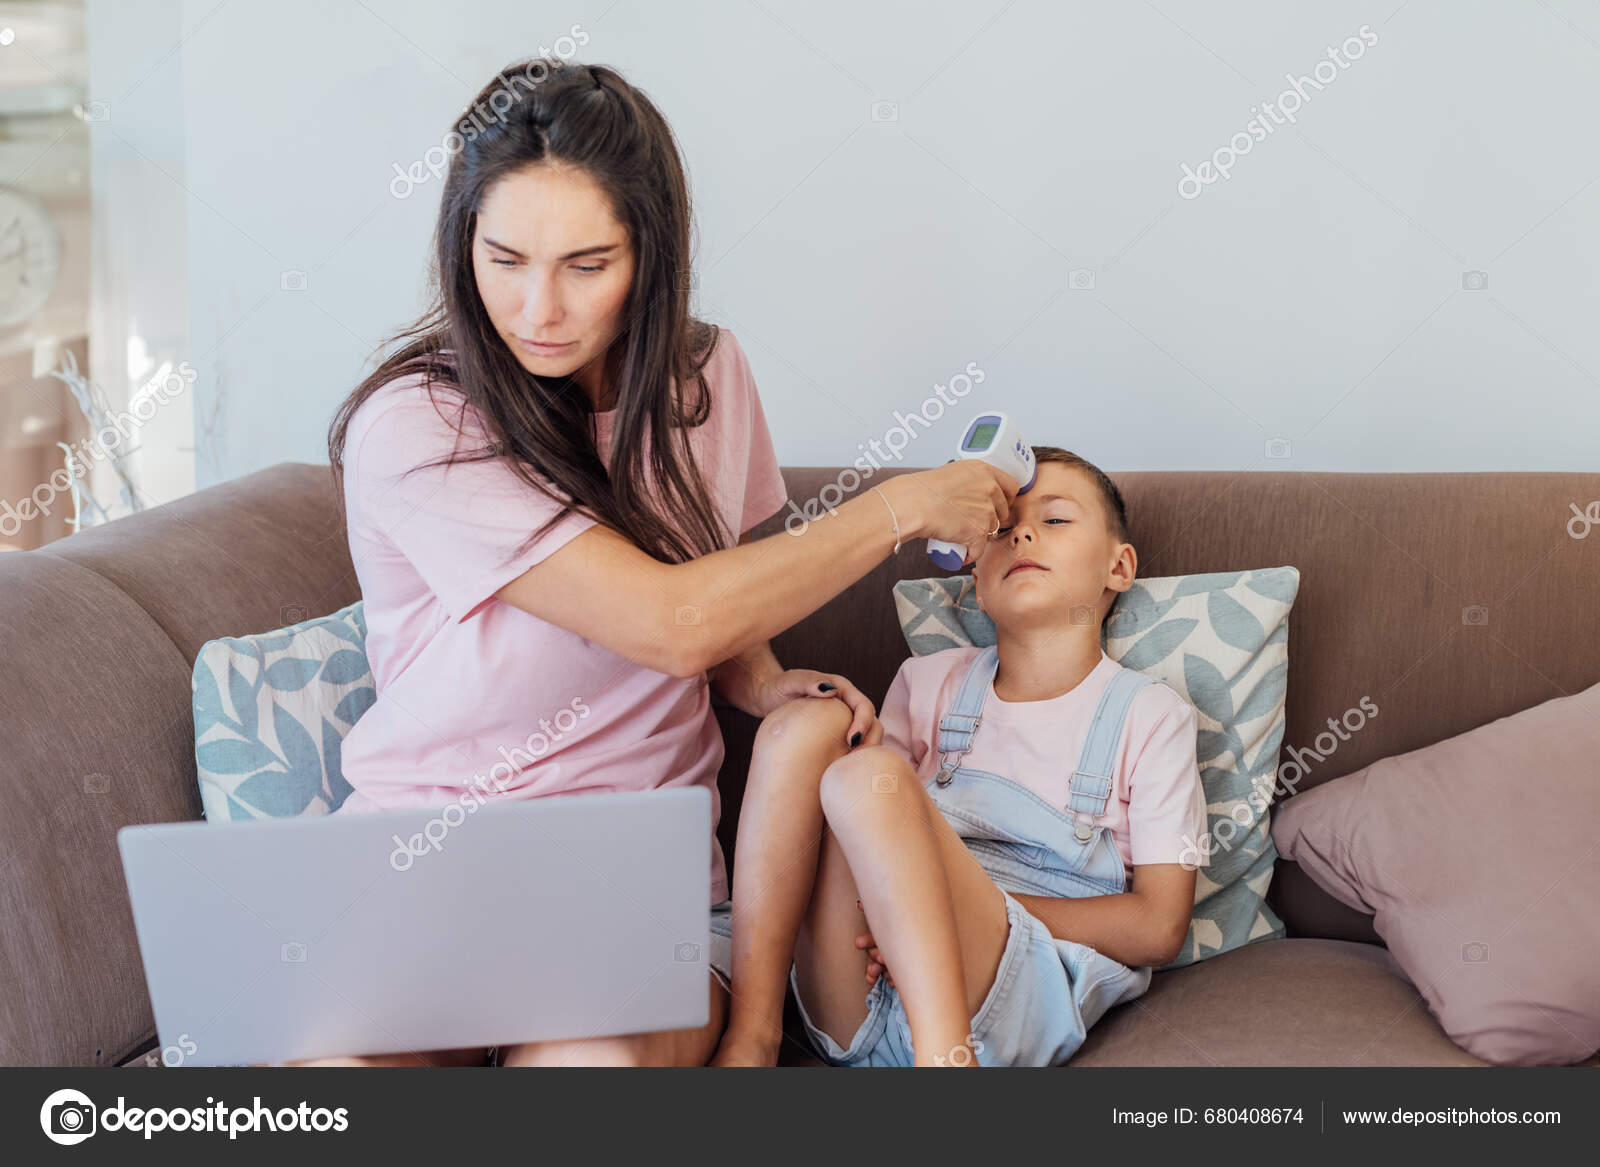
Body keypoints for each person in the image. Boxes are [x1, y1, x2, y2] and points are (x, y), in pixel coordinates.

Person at [287, 59, 1017, 1068]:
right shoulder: (417, 423)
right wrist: (899, 505)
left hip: (631, 884)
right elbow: (669, 619)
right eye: (504, 259)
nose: (538, 307)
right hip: (427, 859)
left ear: (652, 254)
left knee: (588, 1061)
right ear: (461, 249)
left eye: (587, 266)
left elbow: (718, 578)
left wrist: (756, 676)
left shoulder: (706, 377)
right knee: (338, 1069)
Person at [710, 449, 1209, 1067]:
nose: (1022, 532)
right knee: (811, 724)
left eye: (1054, 521)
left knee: (873, 775)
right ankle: (752, 1032)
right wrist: (895, 916)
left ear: (1119, 565)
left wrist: (937, 915)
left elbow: (1159, 928)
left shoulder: (1151, 714)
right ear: (972, 573)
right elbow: (861, 828)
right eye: (1001, 528)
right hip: (857, 989)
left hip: (1009, 992)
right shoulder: (928, 683)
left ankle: (947, 1061)